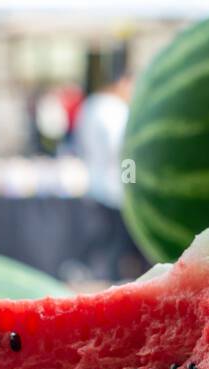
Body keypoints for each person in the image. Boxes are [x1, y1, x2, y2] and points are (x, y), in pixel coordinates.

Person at [70, 70, 144, 281]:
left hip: (96, 184)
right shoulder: (115, 109)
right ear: (122, 83)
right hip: (114, 189)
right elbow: (122, 147)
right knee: (114, 247)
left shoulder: (92, 104)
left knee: (103, 242)